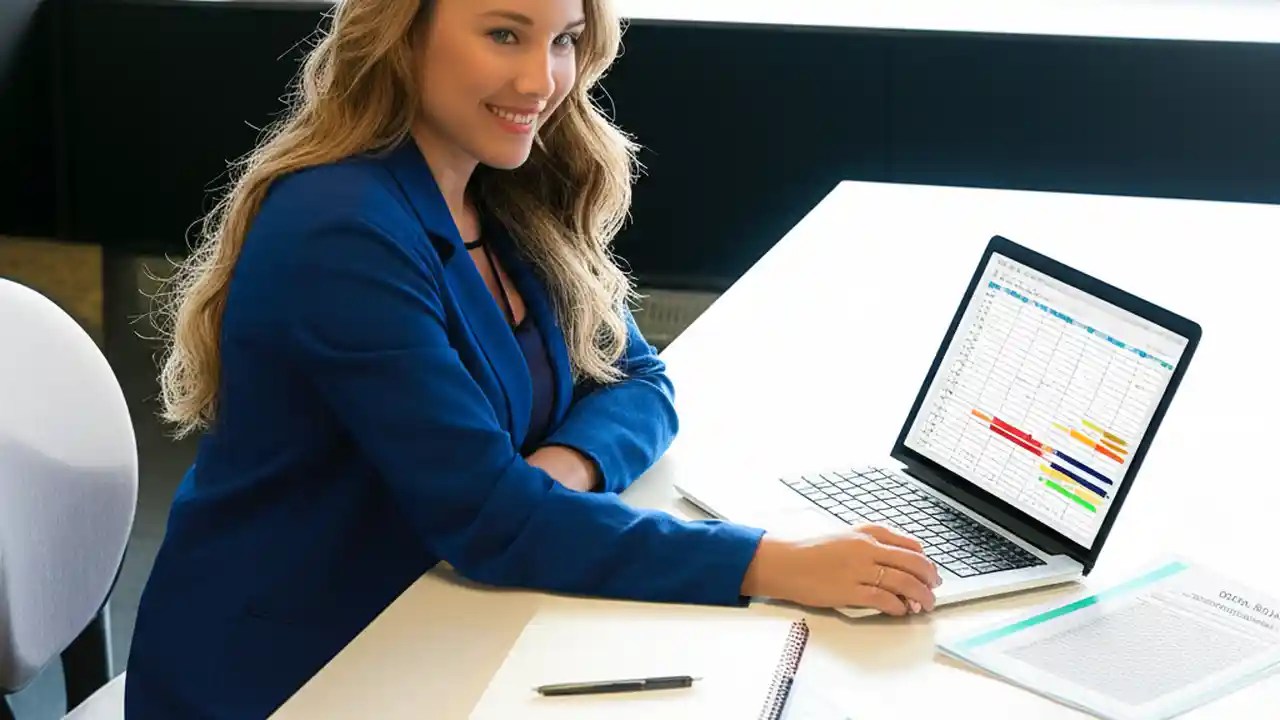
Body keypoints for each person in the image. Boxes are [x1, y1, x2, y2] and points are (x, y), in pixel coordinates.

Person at [126, 0, 942, 716]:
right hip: (295, 668)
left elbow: (640, 382)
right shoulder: (342, 229)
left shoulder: (502, 193)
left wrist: (556, 473)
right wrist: (775, 564)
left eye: (564, 40)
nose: (541, 81)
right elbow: (492, 524)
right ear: (404, 32)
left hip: (439, 621)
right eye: (505, 35)